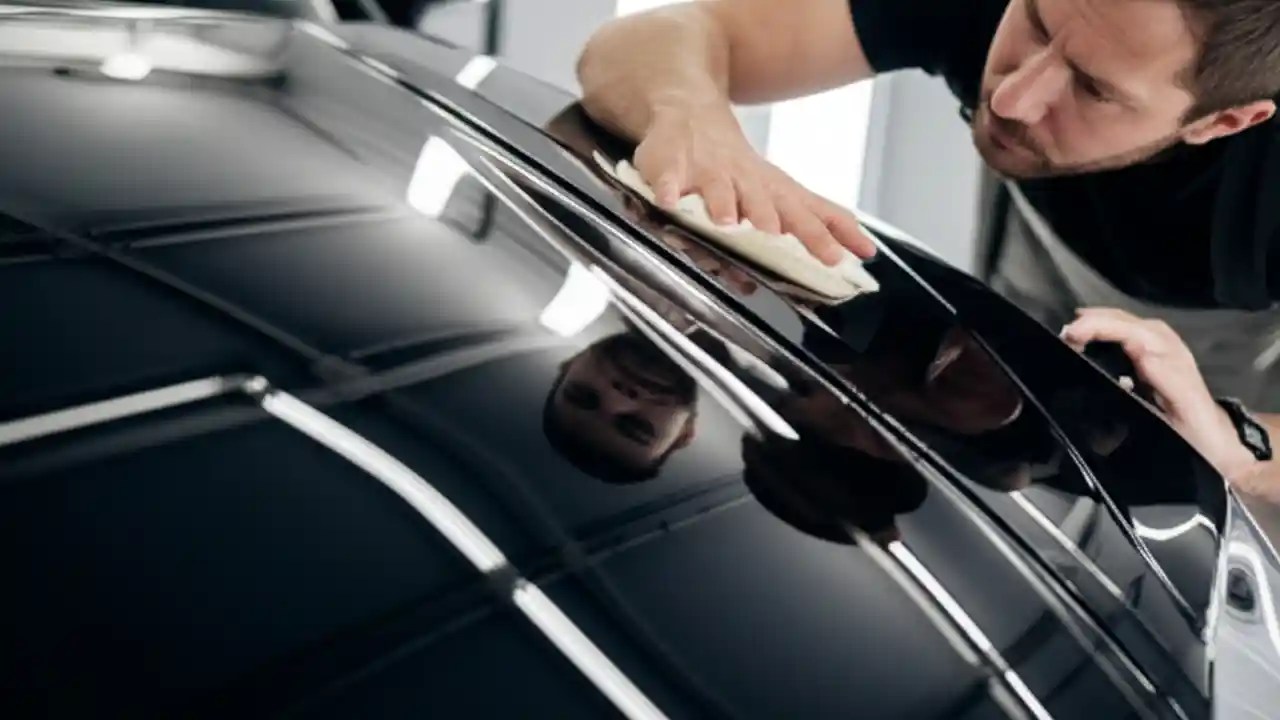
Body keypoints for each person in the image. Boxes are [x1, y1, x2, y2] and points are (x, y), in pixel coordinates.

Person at [576, 0, 1278, 498]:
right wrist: (690, 122)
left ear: (1224, 122)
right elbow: (662, 34)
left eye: (1093, 88)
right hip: (1038, 240)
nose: (1010, 97)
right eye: (1035, 21)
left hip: (1224, 340)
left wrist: (1237, 442)